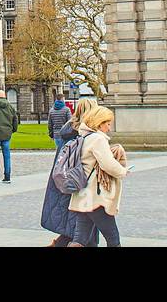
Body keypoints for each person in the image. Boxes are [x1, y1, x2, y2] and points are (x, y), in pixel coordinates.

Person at [67, 106, 130, 247]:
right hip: (96, 195)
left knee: (80, 240)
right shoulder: (97, 139)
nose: (109, 128)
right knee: (113, 238)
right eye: (107, 124)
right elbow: (108, 164)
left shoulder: (84, 137)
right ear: (99, 123)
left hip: (83, 194)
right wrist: (123, 171)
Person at [40, 96, 96, 246]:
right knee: (80, 226)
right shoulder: (82, 136)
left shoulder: (68, 131)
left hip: (65, 181)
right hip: (77, 183)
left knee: (76, 226)